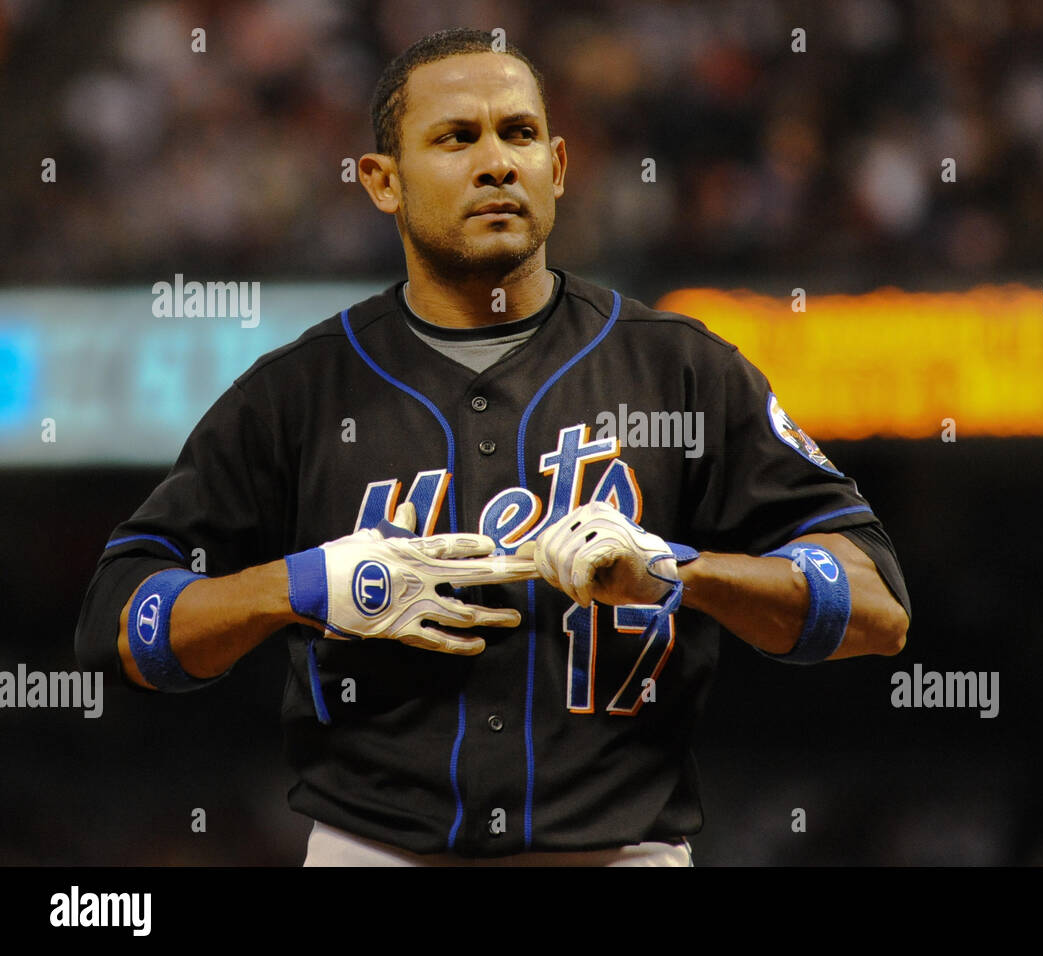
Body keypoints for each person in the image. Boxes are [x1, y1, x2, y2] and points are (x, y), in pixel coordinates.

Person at [75, 28, 912, 867]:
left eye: (517, 134)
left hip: (622, 852)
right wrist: (299, 585)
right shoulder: (296, 392)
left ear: (558, 165)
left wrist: (673, 572)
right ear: (382, 182)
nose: (496, 162)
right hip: (371, 852)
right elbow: (123, 626)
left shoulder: (681, 369)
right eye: (455, 138)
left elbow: (876, 609)